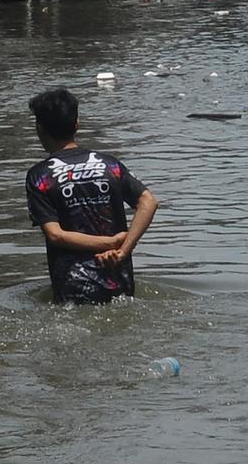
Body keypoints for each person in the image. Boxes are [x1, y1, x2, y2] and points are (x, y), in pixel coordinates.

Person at [25, 88, 158, 304]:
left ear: (39, 128)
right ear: (77, 123)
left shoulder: (40, 176)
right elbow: (148, 201)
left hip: (73, 287)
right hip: (120, 279)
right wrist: (121, 250)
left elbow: (56, 235)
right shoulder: (110, 165)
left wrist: (109, 243)